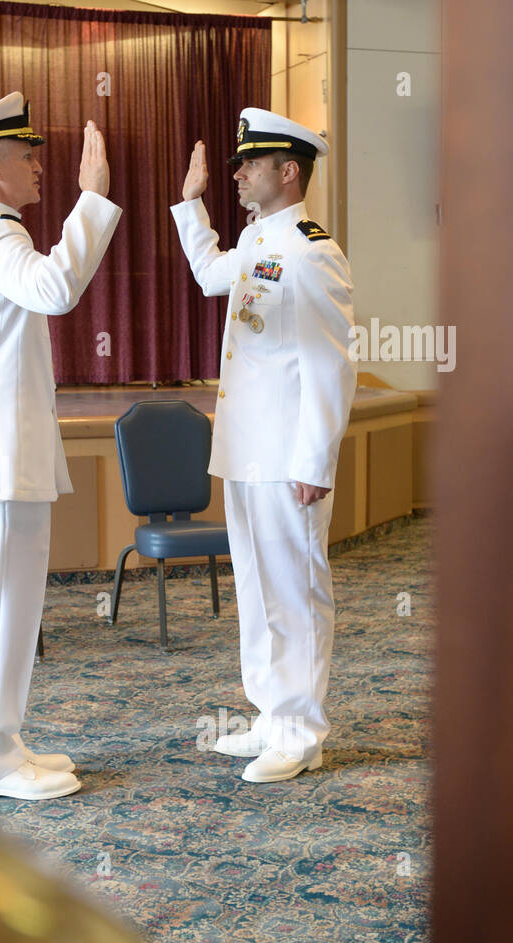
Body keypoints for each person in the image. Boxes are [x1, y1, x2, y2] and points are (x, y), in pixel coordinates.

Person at [0, 92, 121, 800]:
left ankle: (2, 748)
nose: (41, 166)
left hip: (5, 456)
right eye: (29, 156)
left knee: (13, 613)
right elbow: (55, 289)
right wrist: (93, 201)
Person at [170, 107, 357, 783]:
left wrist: (315, 460)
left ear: (288, 171)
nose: (239, 173)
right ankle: (271, 714)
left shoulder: (311, 253)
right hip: (247, 449)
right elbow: (210, 276)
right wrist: (190, 204)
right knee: (256, 585)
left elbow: (331, 367)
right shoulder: (256, 240)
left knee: (295, 587)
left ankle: (302, 732)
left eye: (250, 163)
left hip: (286, 455)